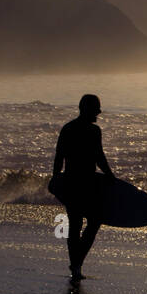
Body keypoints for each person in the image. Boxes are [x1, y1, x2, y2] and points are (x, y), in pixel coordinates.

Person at [51, 94, 115, 283]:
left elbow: (60, 157)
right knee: (84, 223)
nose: (99, 112)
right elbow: (62, 156)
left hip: (81, 183)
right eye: (96, 108)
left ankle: (76, 263)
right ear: (86, 108)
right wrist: (56, 180)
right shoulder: (80, 130)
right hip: (80, 183)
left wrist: (111, 177)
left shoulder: (72, 128)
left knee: (87, 223)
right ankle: (76, 265)